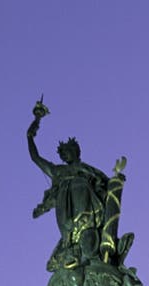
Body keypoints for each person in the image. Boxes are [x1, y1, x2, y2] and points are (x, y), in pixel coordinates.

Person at [27, 106, 108, 270]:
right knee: (68, 233)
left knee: (85, 228)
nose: (64, 156)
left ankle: (87, 250)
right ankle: (72, 250)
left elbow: (105, 183)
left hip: (86, 202)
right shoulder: (58, 171)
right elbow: (35, 158)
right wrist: (32, 131)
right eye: (62, 154)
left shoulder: (87, 170)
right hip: (65, 207)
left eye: (67, 151)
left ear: (76, 151)